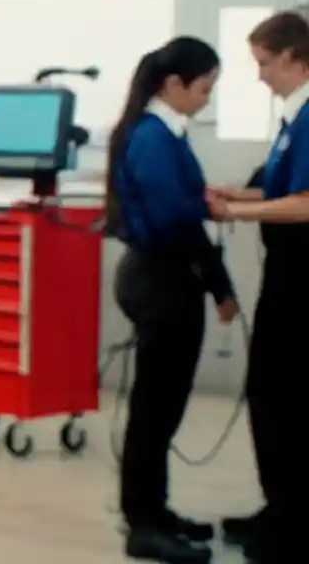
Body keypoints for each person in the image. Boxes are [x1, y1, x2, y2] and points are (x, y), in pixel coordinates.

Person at [104, 36, 238, 563]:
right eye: (204, 88)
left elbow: (180, 204)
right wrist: (220, 284)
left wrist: (204, 201)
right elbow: (174, 220)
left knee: (160, 410)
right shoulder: (153, 137)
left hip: (167, 279)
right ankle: (143, 526)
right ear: (174, 84)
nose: (207, 99)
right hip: (161, 282)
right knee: (154, 412)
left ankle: (154, 511)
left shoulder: (163, 133)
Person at [207, 9, 309, 563]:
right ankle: (280, 508)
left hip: (301, 283)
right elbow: (279, 187)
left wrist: (239, 214)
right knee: (272, 396)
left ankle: (290, 525)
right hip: (284, 275)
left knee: (282, 399)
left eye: (266, 63)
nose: (261, 76)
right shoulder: (294, 120)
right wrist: (235, 195)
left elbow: (305, 203)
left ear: (294, 57)